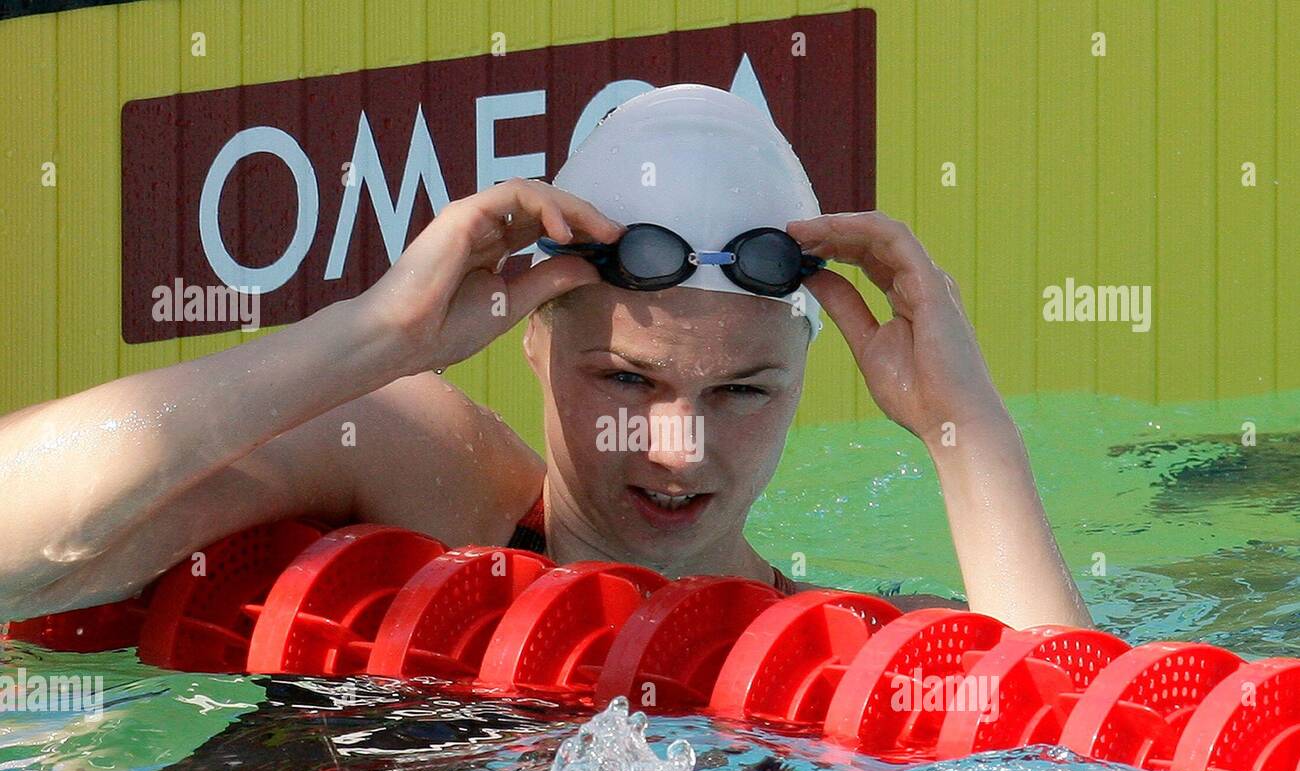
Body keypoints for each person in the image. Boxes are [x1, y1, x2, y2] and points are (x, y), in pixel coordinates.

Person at [0, 84, 1090, 630]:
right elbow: (23, 548)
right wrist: (369, 338)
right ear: (532, 333)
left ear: (807, 374)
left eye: (742, 391)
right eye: (627, 379)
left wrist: (966, 434)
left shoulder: (832, 644)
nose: (677, 450)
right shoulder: (422, 471)